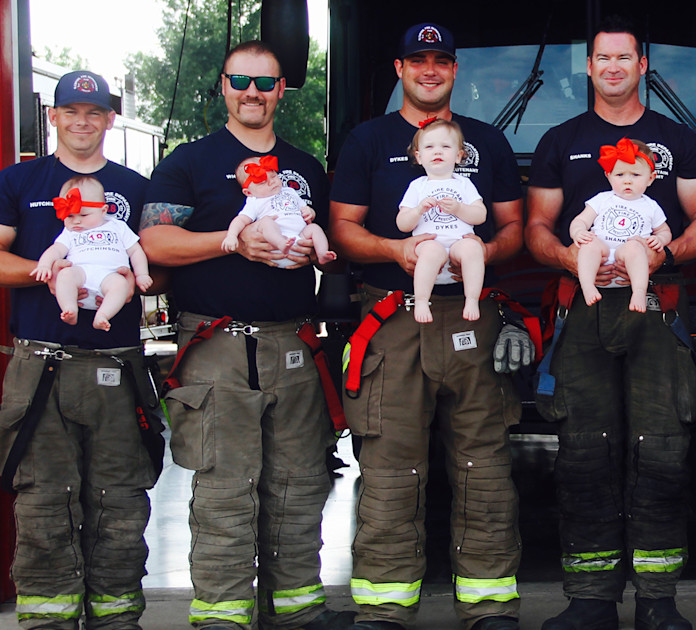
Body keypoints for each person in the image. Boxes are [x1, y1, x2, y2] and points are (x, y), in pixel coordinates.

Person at [139, 41, 350, 630]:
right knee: (227, 489)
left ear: (282, 89)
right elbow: (154, 243)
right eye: (240, 81)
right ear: (224, 88)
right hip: (217, 346)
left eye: (265, 82)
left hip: (294, 343)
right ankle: (223, 619)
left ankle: (298, 613)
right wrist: (228, 241)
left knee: (299, 484)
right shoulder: (191, 161)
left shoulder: (306, 167)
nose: (252, 92)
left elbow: (329, 249)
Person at [328, 22, 526, 630]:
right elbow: (343, 229)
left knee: (484, 464)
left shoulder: (487, 143)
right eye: (419, 60)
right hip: (393, 321)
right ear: (399, 69)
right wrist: (399, 253)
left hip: (471, 315)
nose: (430, 70)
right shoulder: (367, 141)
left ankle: (489, 604)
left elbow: (514, 230)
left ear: (454, 71)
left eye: (441, 60)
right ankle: (385, 608)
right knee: (390, 464)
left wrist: (478, 253)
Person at [525, 15, 696, 630]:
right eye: (601, 58)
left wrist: (660, 255)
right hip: (582, 315)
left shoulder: (677, 140)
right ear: (589, 67)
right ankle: (590, 601)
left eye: (623, 58)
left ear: (641, 66)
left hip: (657, 310)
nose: (612, 67)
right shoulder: (560, 139)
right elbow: (536, 229)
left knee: (662, 449)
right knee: (583, 452)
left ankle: (659, 602)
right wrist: (573, 259)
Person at [0, 70, 160, 630]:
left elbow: (158, 265)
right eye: (72, 111)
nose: (83, 122)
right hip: (41, 361)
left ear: (110, 120)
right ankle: (48, 622)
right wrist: (50, 271)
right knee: (44, 499)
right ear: (54, 116)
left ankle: (117, 620)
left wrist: (131, 274)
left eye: (94, 113)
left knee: (120, 501)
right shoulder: (19, 180)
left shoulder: (136, 186)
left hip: (118, 363)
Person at [395, 117, 488, 322]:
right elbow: (402, 223)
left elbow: (480, 215)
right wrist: (419, 210)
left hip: (458, 245)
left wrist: (459, 208)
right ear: (419, 157)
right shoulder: (417, 186)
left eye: (445, 146)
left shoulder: (464, 184)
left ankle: (471, 299)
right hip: (429, 243)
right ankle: (421, 301)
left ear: (458, 155)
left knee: (473, 249)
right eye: (429, 147)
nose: (437, 151)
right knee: (431, 250)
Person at [34, 176, 153, 330]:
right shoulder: (70, 232)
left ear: (103, 210)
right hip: (80, 275)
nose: (76, 221)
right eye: (69, 216)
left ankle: (103, 315)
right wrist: (44, 265)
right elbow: (55, 250)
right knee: (65, 275)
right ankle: (70, 309)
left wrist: (142, 274)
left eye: (83, 215)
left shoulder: (117, 226)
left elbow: (135, 251)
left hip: (110, 275)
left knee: (120, 285)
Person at [569, 137, 672, 311]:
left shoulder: (650, 206)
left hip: (630, 263)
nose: (627, 181)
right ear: (608, 176)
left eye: (636, 175)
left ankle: (639, 292)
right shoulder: (602, 199)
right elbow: (580, 220)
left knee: (635, 246)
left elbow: (664, 230)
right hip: (600, 259)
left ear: (651, 178)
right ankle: (587, 286)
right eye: (620, 175)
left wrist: (660, 240)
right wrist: (578, 232)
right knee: (588, 245)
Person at [222, 155, 336, 266]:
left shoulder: (290, 191)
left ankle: (322, 254)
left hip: (299, 240)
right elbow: (241, 220)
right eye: (262, 182)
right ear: (248, 192)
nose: (271, 182)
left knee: (314, 228)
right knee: (266, 222)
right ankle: (281, 243)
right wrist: (231, 236)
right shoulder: (255, 201)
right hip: (272, 245)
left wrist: (310, 212)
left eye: (273, 176)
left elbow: (304, 207)